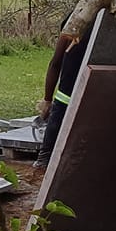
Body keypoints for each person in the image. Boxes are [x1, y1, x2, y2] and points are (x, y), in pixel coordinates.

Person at [37, 29, 87, 166]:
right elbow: (56, 63)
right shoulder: (77, 23)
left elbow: (56, 63)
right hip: (69, 100)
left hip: (66, 99)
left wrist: (47, 100)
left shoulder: (77, 22)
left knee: (46, 157)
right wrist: (47, 100)